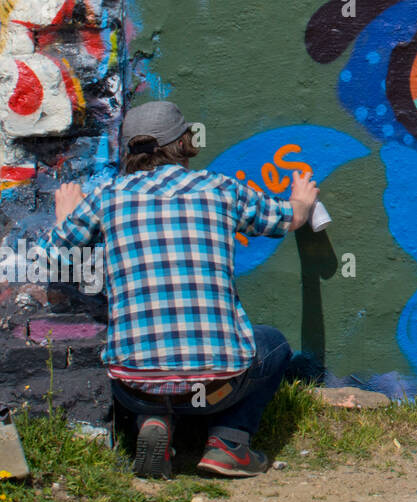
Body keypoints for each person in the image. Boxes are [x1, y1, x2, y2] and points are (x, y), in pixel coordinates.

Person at [45, 99, 318, 478]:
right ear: (184, 143)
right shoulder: (221, 189)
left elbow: (53, 253)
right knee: (274, 344)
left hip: (135, 387)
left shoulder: (107, 197)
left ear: (129, 150)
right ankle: (228, 442)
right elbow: (288, 220)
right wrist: (301, 202)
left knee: (140, 363)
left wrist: (66, 217)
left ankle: (153, 421)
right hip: (219, 388)